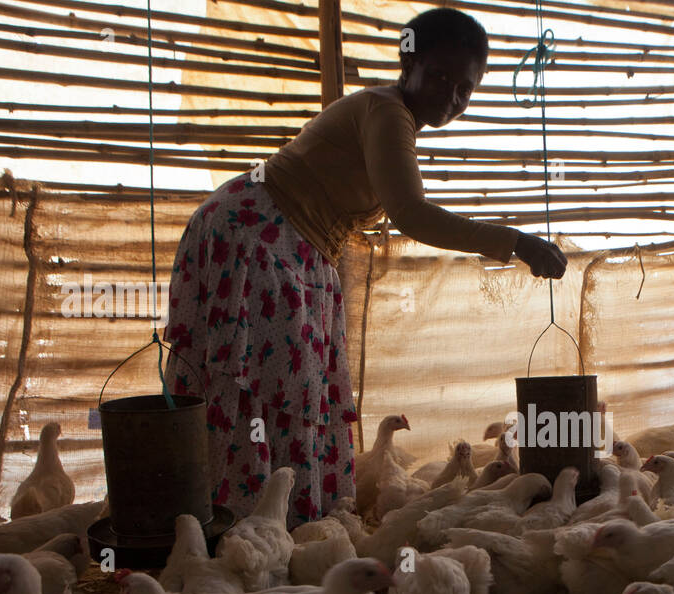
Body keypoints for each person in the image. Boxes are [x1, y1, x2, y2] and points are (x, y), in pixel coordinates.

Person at [163, 6, 567, 527]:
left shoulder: (392, 118)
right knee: (264, 384)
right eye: (439, 75)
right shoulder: (386, 110)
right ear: (409, 63)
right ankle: (235, 523)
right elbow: (411, 213)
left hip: (287, 242)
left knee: (280, 388)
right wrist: (518, 243)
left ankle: (254, 527)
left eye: (464, 87)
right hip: (257, 235)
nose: (451, 94)